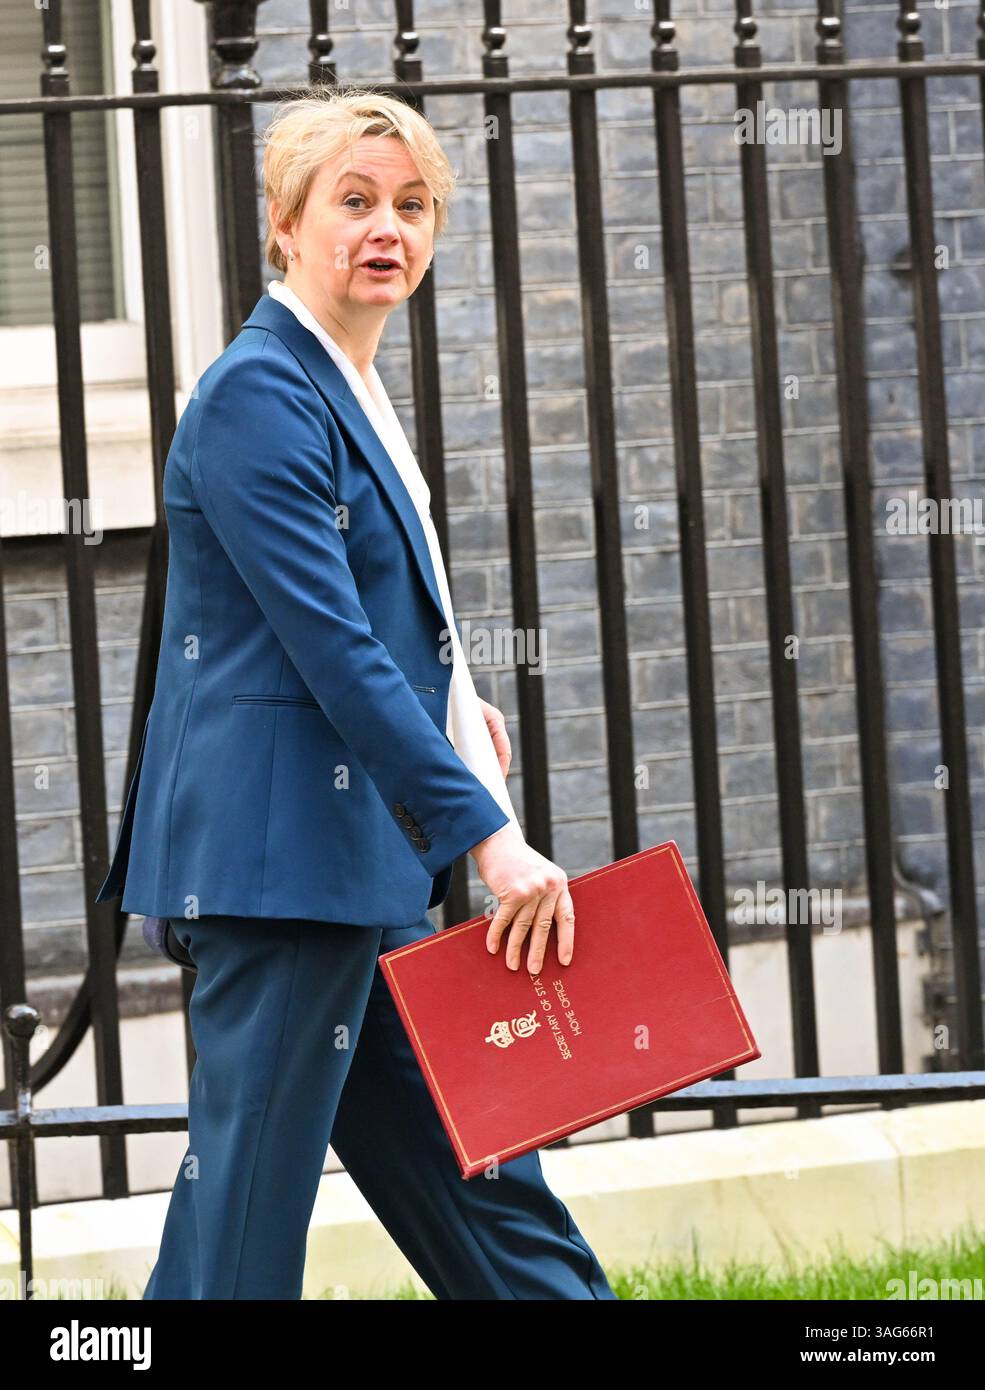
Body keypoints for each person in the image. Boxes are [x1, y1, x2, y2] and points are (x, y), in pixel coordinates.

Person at [95, 86, 615, 1300]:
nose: (388, 227)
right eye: (355, 200)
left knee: (481, 1182)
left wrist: (453, 715)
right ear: (283, 221)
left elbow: (389, 627)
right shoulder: (258, 394)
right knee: (242, 1222)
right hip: (283, 877)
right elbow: (332, 650)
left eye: (412, 204)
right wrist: (488, 836)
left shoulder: (344, 385)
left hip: (358, 865)